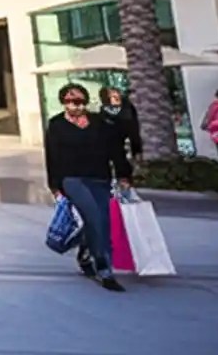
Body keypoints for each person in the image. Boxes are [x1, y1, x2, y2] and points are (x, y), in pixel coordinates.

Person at [46, 83, 133, 291]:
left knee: (101, 220)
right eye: (67, 101)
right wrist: (55, 186)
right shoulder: (57, 124)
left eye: (77, 101)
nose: (72, 106)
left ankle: (85, 252)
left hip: (99, 177)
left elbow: (116, 150)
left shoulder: (101, 123)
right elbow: (52, 156)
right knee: (95, 217)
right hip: (72, 179)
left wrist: (123, 174)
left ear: (85, 101)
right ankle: (104, 268)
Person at [97, 86, 144, 161]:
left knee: (133, 136)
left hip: (126, 125)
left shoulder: (125, 105)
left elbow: (131, 126)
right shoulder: (105, 107)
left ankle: (137, 156)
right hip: (119, 129)